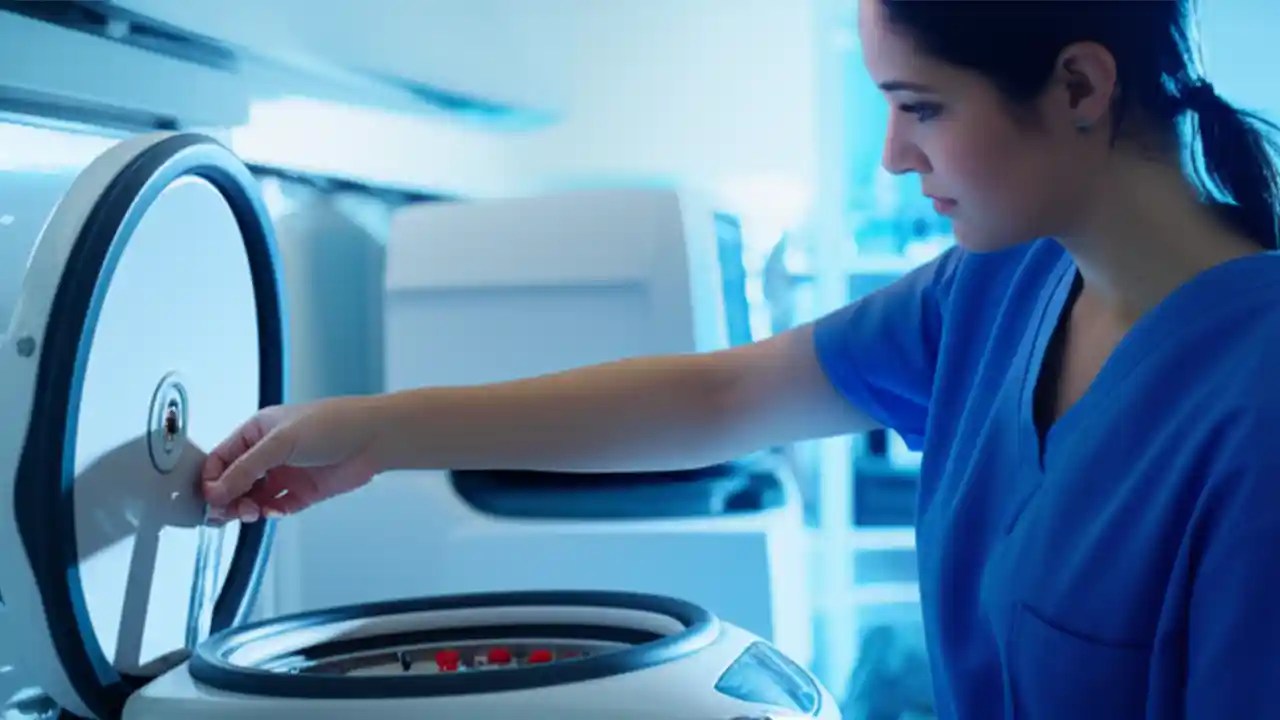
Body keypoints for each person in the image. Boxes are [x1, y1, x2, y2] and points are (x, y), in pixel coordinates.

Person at [201, 1, 1280, 717]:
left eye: (919, 110)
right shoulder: (999, 290)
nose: (895, 156)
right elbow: (722, 391)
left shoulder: (1253, 405)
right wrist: (374, 432)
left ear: (1079, 90)